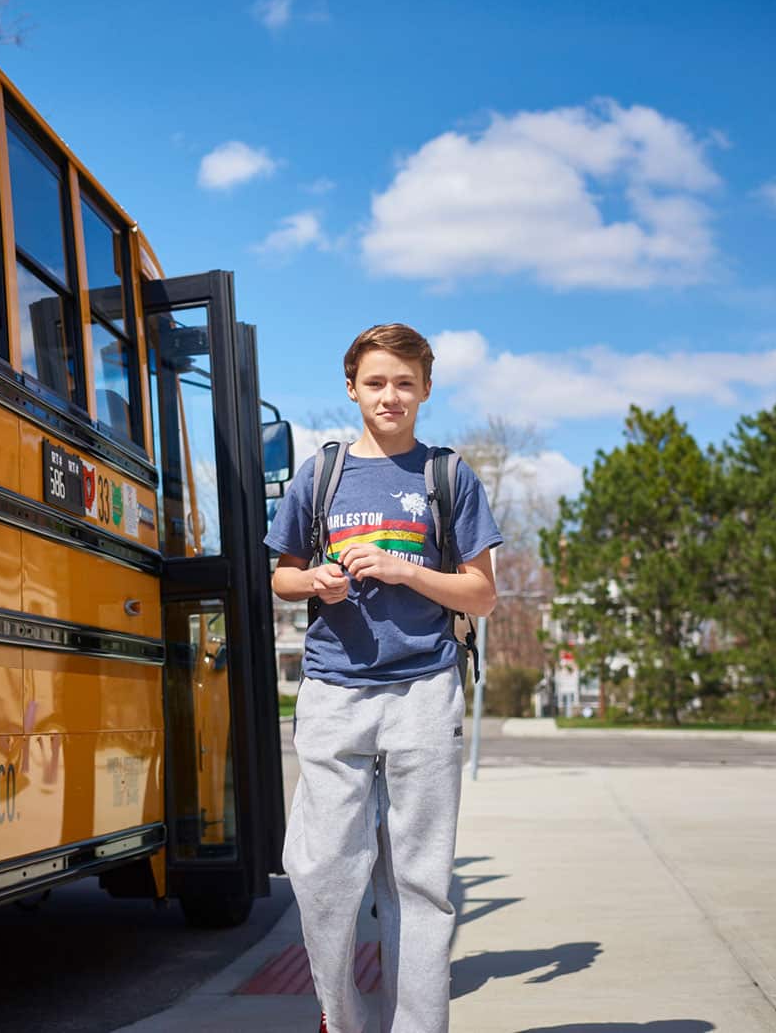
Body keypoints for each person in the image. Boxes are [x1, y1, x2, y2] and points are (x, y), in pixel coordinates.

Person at [264, 324, 502, 1033]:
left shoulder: (448, 476)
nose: (390, 395)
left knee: (418, 885)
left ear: (425, 389)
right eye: (376, 382)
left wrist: (403, 570)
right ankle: (344, 1017)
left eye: (404, 382)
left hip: (425, 690)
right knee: (320, 873)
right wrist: (316, 581)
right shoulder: (322, 473)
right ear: (352, 388)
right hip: (335, 689)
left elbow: (483, 595)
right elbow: (280, 577)